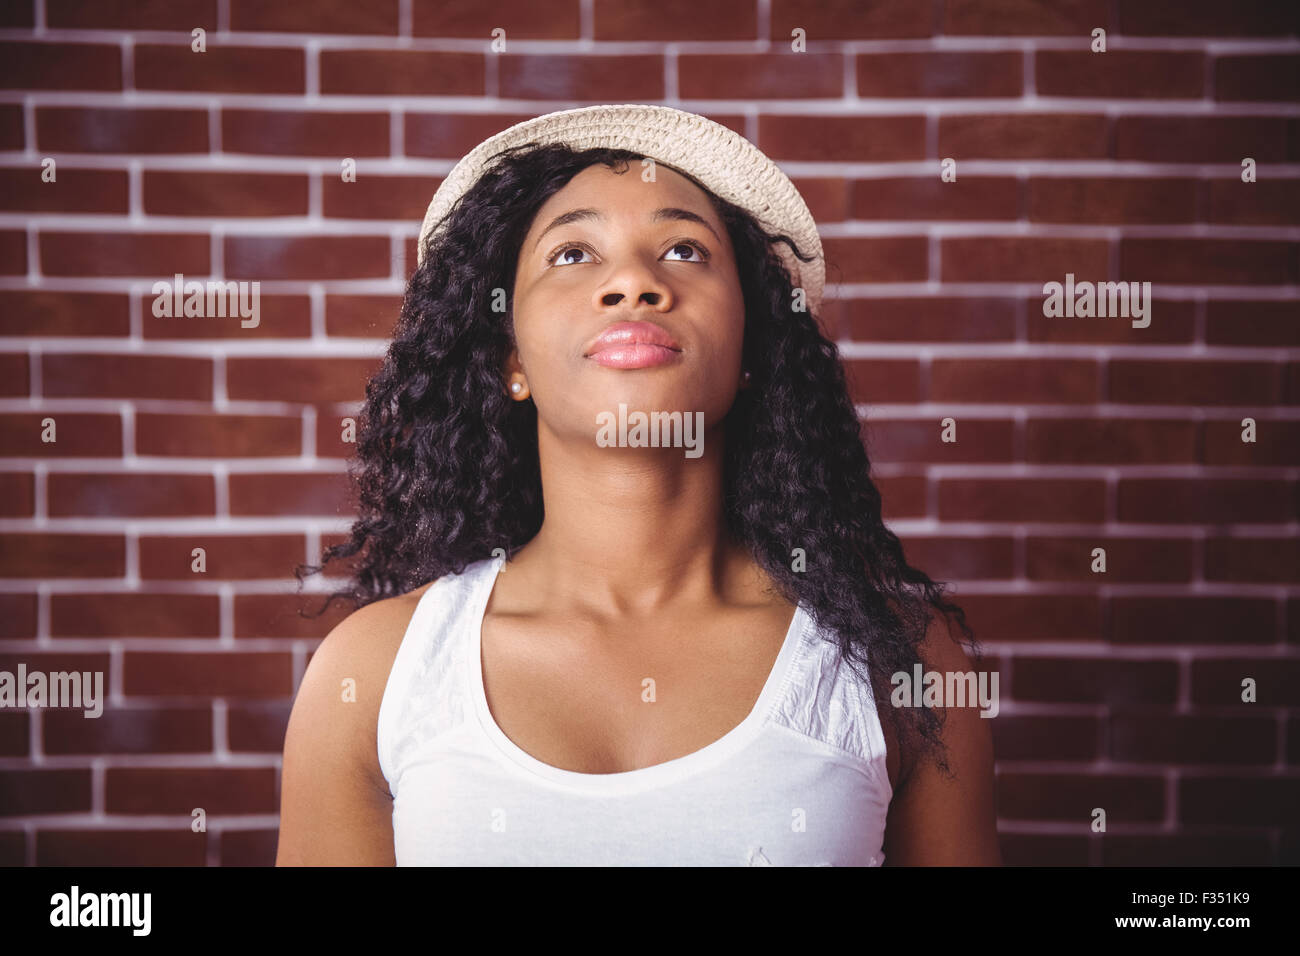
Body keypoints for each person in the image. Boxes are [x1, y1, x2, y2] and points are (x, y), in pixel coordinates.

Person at [275, 104, 1000, 866]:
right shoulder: (373, 673)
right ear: (509, 360)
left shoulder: (903, 661)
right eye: (572, 254)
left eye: (684, 249)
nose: (632, 282)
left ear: (753, 348)